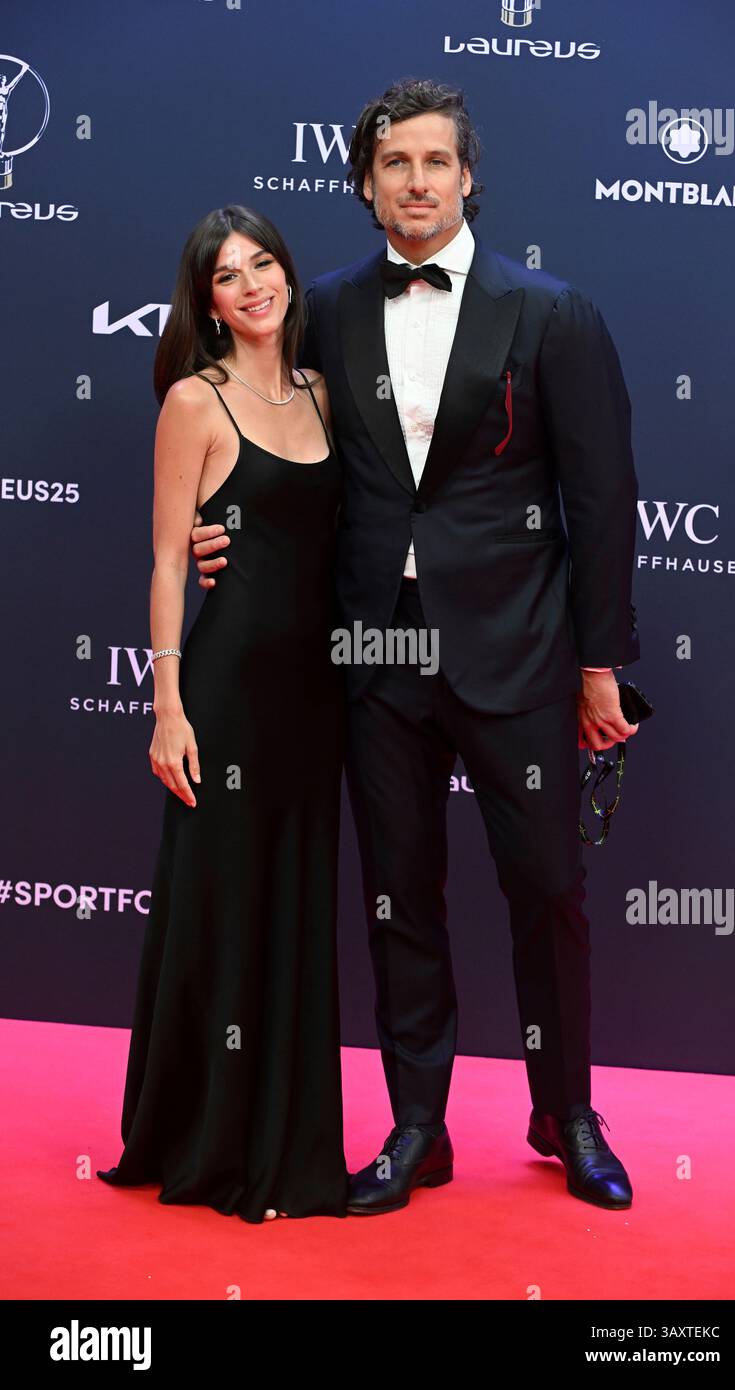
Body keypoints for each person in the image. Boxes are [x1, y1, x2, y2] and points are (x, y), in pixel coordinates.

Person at [191, 77, 643, 1215]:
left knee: (546, 887)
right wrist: (214, 521)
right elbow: (249, 414)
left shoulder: (551, 313)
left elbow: (600, 500)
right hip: (371, 656)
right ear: (363, 183)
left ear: (467, 175)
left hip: (518, 651)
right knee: (398, 893)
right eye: (394, 164)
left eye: (435, 162)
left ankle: (565, 1111)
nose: (415, 182)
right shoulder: (326, 308)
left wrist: (598, 663)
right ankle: (416, 1126)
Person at [97, 206, 349, 1223]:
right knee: (220, 905)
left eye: (264, 264)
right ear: (205, 301)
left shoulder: (328, 392)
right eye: (227, 276)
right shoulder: (195, 404)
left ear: (287, 276)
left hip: (315, 696)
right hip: (226, 691)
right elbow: (167, 558)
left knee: (295, 907)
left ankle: (283, 1140)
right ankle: (200, 1138)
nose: (251, 285)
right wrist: (166, 705)